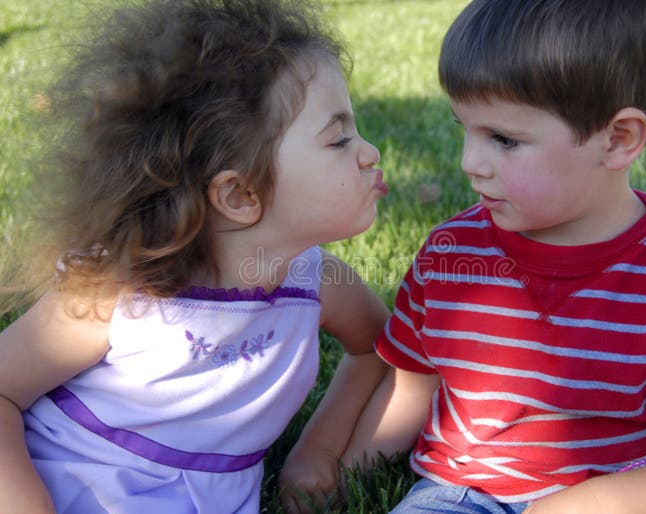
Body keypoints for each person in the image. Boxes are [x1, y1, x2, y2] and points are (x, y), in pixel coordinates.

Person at [341, 1, 646, 513]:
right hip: (460, 493)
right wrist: (345, 471)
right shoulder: (451, 253)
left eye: (503, 139)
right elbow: (413, 381)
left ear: (618, 139)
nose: (470, 163)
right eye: (465, 129)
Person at [0, 0, 391, 512]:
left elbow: (384, 348)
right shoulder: (119, 289)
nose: (370, 152)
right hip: (72, 480)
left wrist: (317, 451)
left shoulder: (316, 282)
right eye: (338, 139)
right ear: (239, 195)